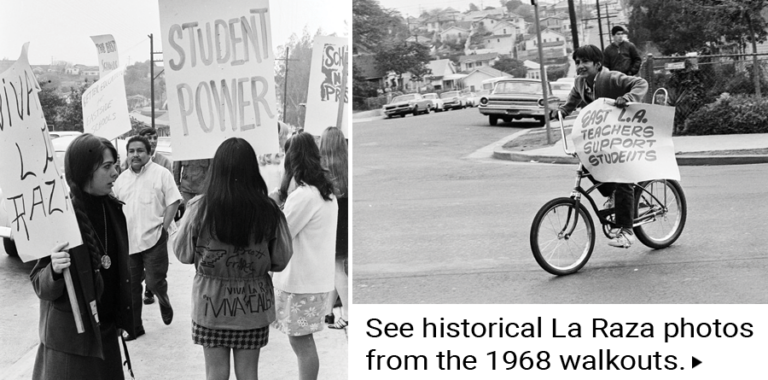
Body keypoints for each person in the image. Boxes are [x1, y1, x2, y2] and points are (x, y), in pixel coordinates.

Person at [174, 138, 293, 380]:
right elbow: (281, 259)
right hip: (253, 306)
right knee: (248, 374)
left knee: (215, 374)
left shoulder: (198, 208)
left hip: (210, 305)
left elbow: (183, 253)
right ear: (252, 169)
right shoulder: (269, 210)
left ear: (216, 169)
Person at [31, 134, 136, 379]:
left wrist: (121, 316)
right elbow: (40, 284)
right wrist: (54, 270)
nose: (116, 173)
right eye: (107, 167)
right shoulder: (60, 216)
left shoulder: (114, 210)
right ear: (85, 171)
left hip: (106, 335)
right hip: (72, 342)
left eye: (115, 165)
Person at [557, 45, 649, 248]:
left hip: (624, 132)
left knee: (623, 177)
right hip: (603, 136)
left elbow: (641, 83)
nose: (580, 66)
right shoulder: (580, 82)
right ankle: (612, 195)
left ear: (598, 64)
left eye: (585, 62)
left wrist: (627, 98)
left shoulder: (611, 78)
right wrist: (562, 111)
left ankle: (627, 231)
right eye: (577, 62)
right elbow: (573, 100)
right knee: (587, 161)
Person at [269, 132, 338, 380]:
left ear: (292, 159)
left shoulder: (304, 195)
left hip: (301, 282)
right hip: (313, 279)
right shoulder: (323, 191)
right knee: (301, 340)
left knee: (301, 342)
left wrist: (273, 203)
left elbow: (281, 232)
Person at [113, 135, 182, 340]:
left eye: (140, 151)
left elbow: (174, 201)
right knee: (131, 287)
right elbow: (114, 205)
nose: (135, 155)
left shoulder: (161, 174)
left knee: (154, 282)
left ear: (149, 153)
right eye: (131, 151)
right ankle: (135, 327)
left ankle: (163, 299)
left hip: (154, 238)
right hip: (129, 241)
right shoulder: (121, 179)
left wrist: (164, 227)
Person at [319, 127, 350, 331]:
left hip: (332, 225)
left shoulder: (323, 172)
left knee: (336, 269)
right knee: (335, 270)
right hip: (345, 223)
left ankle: (347, 314)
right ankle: (327, 312)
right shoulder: (347, 167)